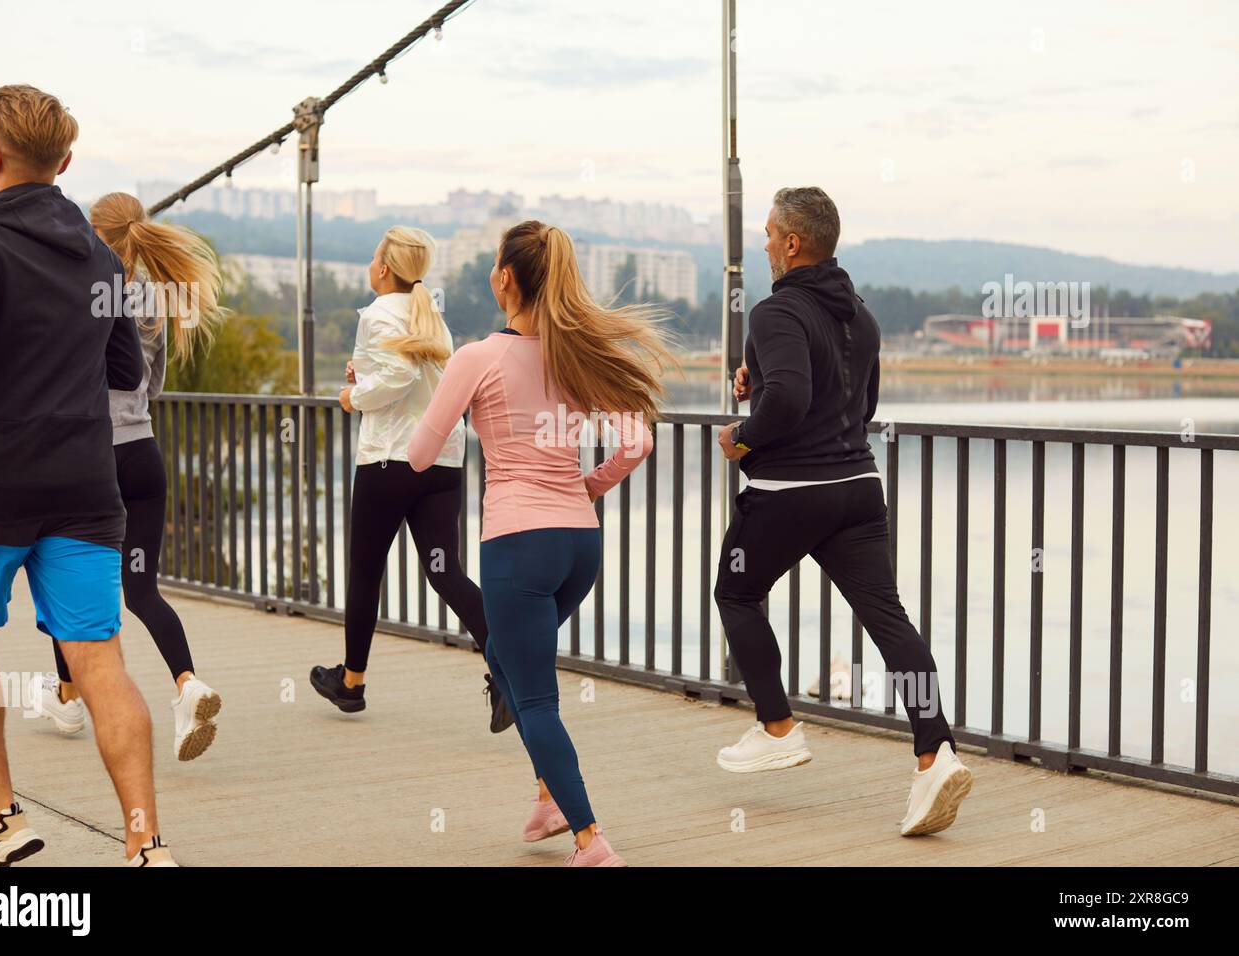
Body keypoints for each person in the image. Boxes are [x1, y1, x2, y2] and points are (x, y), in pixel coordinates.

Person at [0, 85, 175, 865]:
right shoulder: (100, 254)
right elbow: (123, 365)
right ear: (65, 163)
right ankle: (144, 844)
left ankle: (1, 815)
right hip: (86, 482)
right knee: (98, 657)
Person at [408, 220, 673, 866]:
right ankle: (547, 799)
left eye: (495, 264)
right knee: (504, 657)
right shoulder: (575, 357)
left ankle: (590, 838)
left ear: (503, 277)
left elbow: (418, 456)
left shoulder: (478, 358)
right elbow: (637, 442)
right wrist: (590, 484)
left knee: (532, 696)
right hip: (579, 544)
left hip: (517, 546)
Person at [713, 186, 973, 837]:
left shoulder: (775, 312)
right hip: (859, 489)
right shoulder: (861, 315)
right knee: (890, 621)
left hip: (788, 494)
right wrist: (759, 383)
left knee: (737, 593)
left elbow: (793, 400)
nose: (765, 241)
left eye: (770, 232)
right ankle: (934, 751)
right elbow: (860, 404)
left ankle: (776, 726)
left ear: (793, 242)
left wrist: (741, 437)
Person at [25, 191, 226, 762]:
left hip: (88, 458)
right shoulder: (153, 300)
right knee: (141, 588)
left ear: (95, 236)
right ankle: (188, 684)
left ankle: (67, 696)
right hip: (142, 454)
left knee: (65, 583)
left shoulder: (82, 294)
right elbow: (150, 385)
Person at [309, 225, 512, 733]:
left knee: (366, 570)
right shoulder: (432, 318)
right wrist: (368, 379)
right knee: (445, 573)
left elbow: (396, 381)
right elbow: (410, 378)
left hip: (388, 461)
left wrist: (353, 396)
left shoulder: (377, 314)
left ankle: (351, 684)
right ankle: (507, 674)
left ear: (383, 267)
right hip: (440, 462)